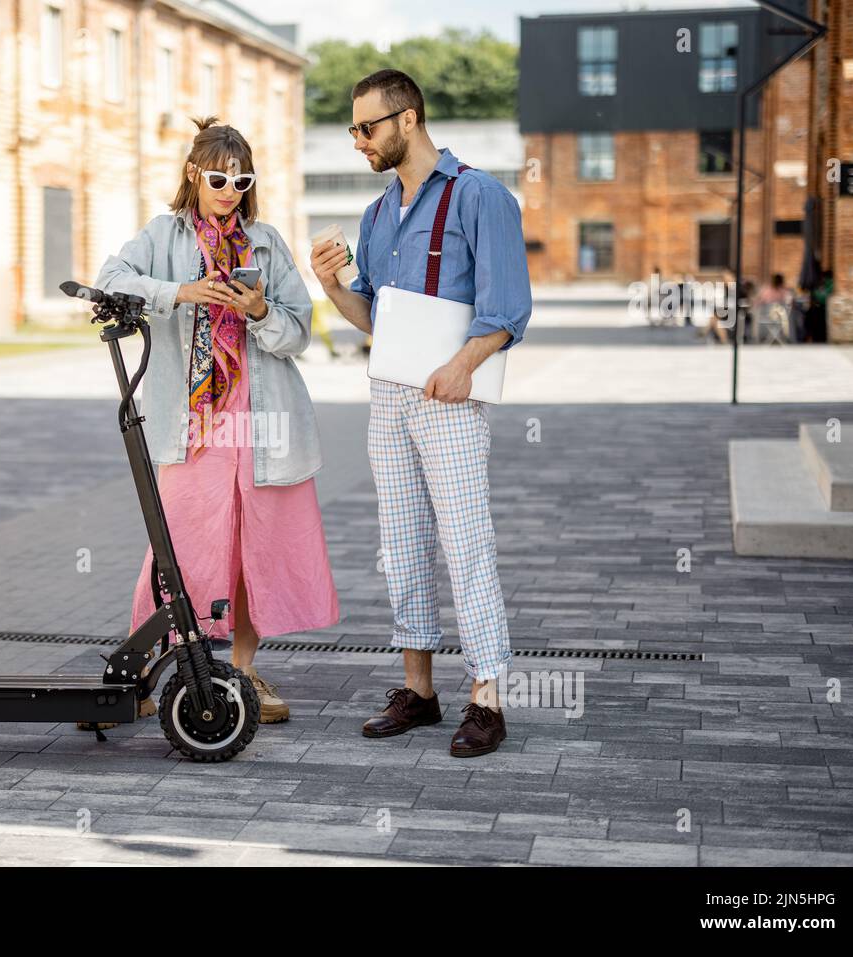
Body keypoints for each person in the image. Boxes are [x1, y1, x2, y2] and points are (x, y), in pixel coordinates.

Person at [310, 70, 531, 758]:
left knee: (467, 546)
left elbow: (508, 309)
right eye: (352, 129)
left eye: (366, 128)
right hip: (389, 399)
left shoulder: (480, 196)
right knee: (401, 547)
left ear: (407, 120)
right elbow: (372, 315)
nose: (358, 142)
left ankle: (486, 700)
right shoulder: (377, 216)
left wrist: (463, 366)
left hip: (452, 400)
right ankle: (421, 692)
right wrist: (330, 284)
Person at [92, 116, 340, 728]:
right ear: (194, 174)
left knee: (255, 547)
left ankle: (244, 669)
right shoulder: (162, 235)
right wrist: (181, 293)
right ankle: (145, 672)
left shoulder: (266, 242)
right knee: (176, 550)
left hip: (262, 423)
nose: (230, 189)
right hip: (195, 422)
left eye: (241, 179)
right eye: (219, 177)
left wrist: (258, 310)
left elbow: (299, 332)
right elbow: (109, 281)